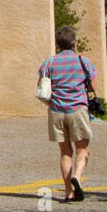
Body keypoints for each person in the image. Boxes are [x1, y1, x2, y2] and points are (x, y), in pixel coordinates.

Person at [38, 26, 95, 202]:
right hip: (77, 109)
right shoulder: (82, 61)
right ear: (74, 42)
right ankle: (77, 176)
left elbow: (41, 85)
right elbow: (92, 84)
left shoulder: (49, 62)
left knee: (65, 152)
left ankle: (68, 191)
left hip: (56, 110)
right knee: (82, 148)